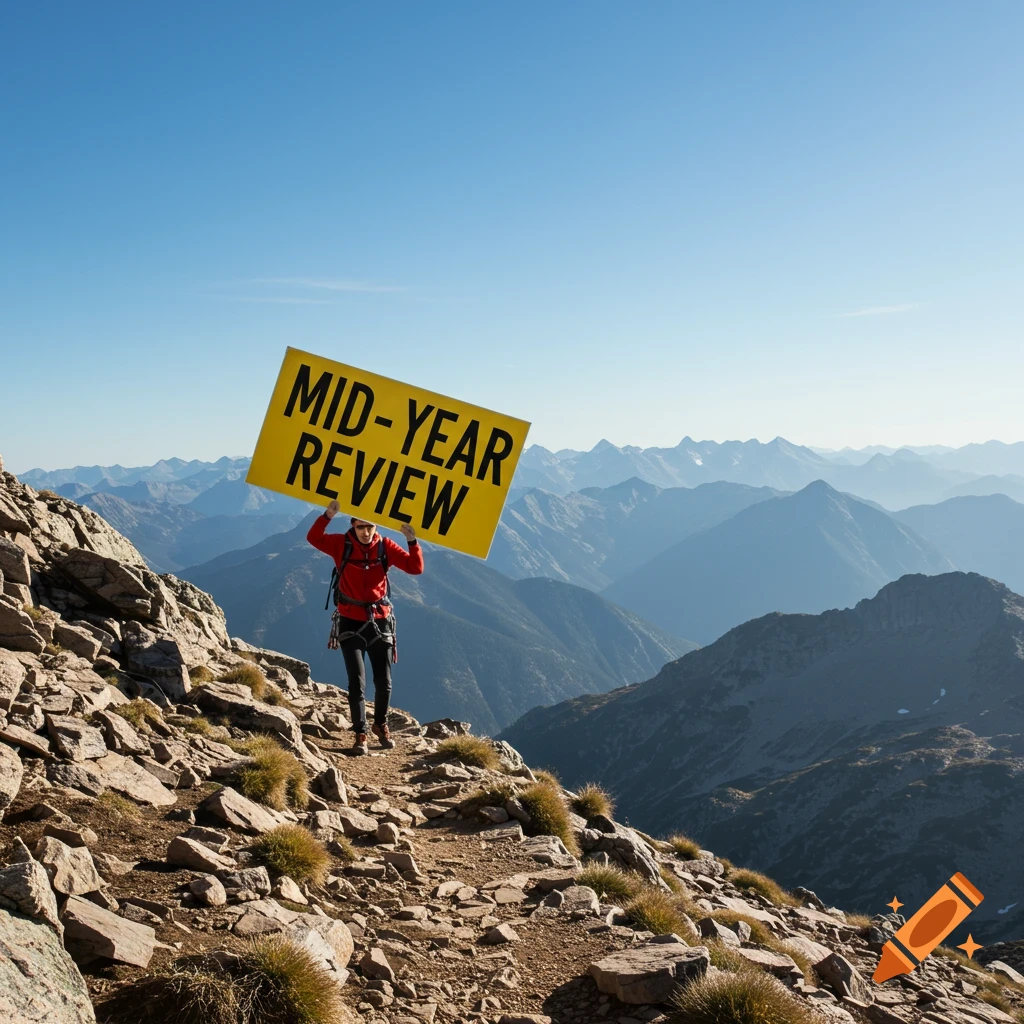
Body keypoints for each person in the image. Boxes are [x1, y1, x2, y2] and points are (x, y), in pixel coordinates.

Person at [307, 500, 424, 754]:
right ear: (353, 525)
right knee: (356, 682)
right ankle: (360, 733)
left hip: (379, 621)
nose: (366, 532)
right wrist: (327, 515)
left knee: (384, 683)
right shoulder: (341, 544)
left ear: (376, 526)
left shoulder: (385, 546)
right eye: (361, 527)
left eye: (369, 527)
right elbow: (314, 537)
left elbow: (415, 568)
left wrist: (412, 542)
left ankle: (380, 725)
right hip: (350, 620)